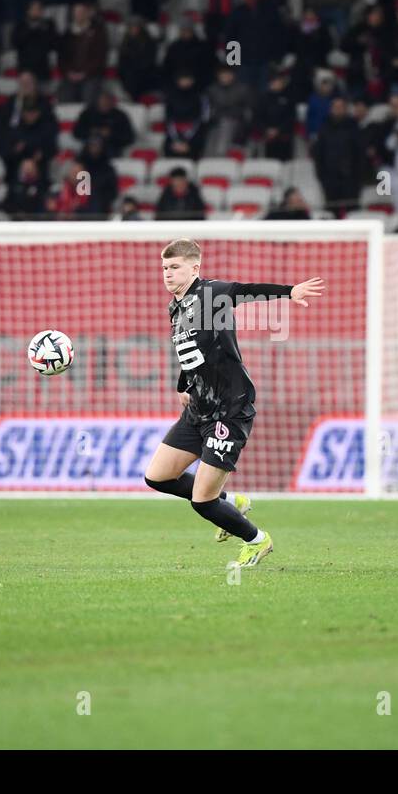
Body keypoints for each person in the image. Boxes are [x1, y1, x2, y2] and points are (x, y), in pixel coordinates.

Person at [144, 239, 324, 568]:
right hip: (198, 408)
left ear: (194, 268)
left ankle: (257, 540)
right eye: (165, 268)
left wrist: (290, 292)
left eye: (175, 267)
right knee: (157, 477)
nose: (168, 273)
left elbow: (245, 290)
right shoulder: (175, 307)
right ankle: (232, 501)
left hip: (228, 409)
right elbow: (191, 353)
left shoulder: (209, 293)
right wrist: (183, 385)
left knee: (202, 501)